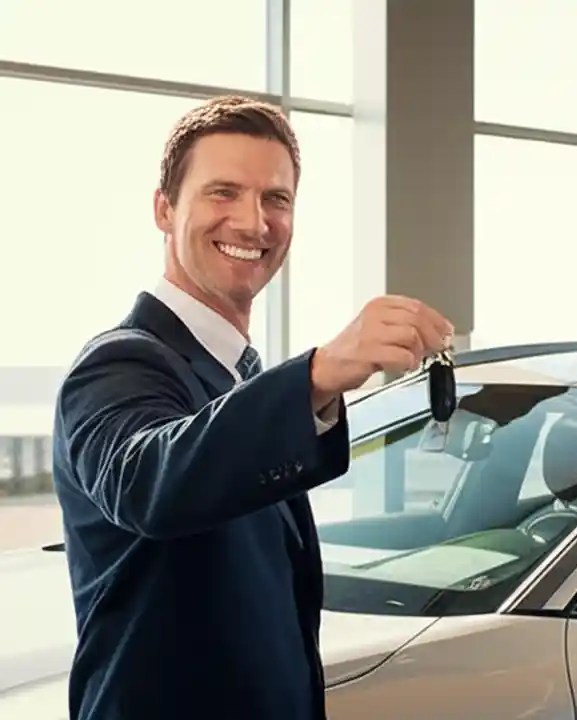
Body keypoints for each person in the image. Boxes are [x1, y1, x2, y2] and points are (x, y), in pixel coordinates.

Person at [51, 95, 453, 720]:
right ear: (164, 209)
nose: (253, 223)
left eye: (276, 199)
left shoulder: (240, 376)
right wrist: (318, 374)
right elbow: (149, 481)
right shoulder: (119, 363)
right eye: (223, 193)